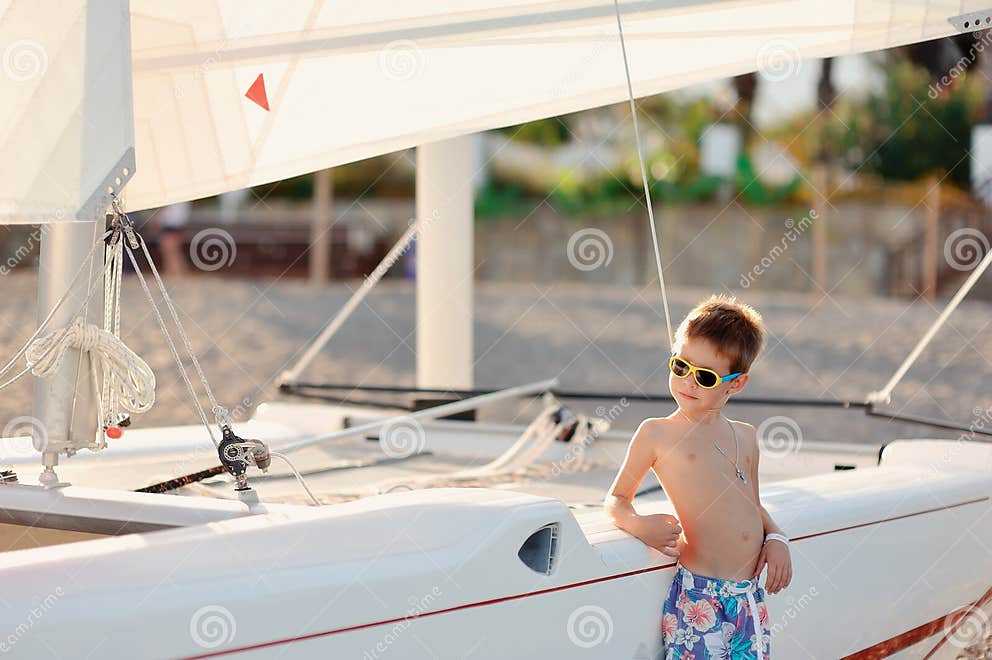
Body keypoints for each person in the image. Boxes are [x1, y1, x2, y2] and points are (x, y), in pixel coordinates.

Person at [604, 294, 791, 660]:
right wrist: (638, 525)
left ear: (735, 384)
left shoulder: (746, 436)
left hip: (749, 596)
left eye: (704, 376)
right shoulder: (657, 433)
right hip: (699, 597)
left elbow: (752, 505)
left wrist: (778, 537)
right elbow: (615, 499)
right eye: (680, 367)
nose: (688, 382)